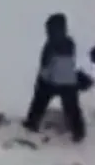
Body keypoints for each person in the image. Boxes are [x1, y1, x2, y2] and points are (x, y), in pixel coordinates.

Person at [23, 13, 86, 142]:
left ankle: (32, 123)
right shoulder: (70, 43)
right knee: (72, 107)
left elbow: (45, 65)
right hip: (69, 81)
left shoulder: (50, 45)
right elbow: (71, 62)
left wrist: (41, 78)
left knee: (39, 100)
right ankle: (78, 131)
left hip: (52, 81)